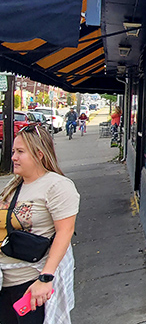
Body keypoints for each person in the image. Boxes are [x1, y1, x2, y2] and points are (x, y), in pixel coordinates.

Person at [0, 124, 79, 324]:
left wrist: (45, 278)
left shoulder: (57, 186)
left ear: (39, 154)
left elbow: (65, 232)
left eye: (20, 152)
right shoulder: (15, 185)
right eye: (13, 152)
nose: (13, 157)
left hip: (30, 285)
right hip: (4, 281)